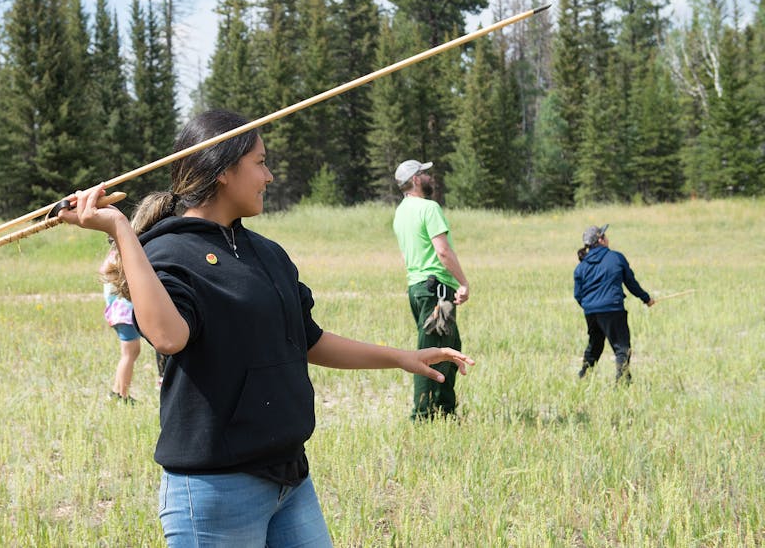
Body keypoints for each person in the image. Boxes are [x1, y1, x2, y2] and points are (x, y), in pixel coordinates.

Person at [59, 110, 474, 546]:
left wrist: (402, 358)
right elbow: (168, 337)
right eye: (260, 162)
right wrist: (122, 230)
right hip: (216, 490)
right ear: (222, 170)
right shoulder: (168, 251)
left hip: (290, 479)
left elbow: (307, 340)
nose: (270, 176)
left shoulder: (267, 253)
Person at [392, 159, 471, 420]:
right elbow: (443, 251)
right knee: (429, 354)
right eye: (424, 173)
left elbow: (406, 256)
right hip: (436, 291)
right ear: (415, 179)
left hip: (417, 288)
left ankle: (445, 410)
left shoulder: (401, 212)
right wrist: (462, 282)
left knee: (451, 347)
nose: (429, 176)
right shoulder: (429, 208)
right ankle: (422, 415)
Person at [574, 224, 655, 382]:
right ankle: (623, 382)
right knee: (621, 348)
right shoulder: (616, 258)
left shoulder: (581, 267)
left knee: (595, 345)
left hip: (591, 312)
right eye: (605, 235)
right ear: (601, 240)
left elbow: (578, 295)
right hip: (612, 309)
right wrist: (646, 298)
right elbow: (630, 283)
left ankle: (583, 376)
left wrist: (590, 305)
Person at [99, 240, 141, 402]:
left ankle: (116, 390)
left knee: (129, 353)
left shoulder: (111, 258)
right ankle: (123, 394)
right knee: (130, 354)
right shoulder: (120, 259)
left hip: (118, 314)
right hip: (124, 313)